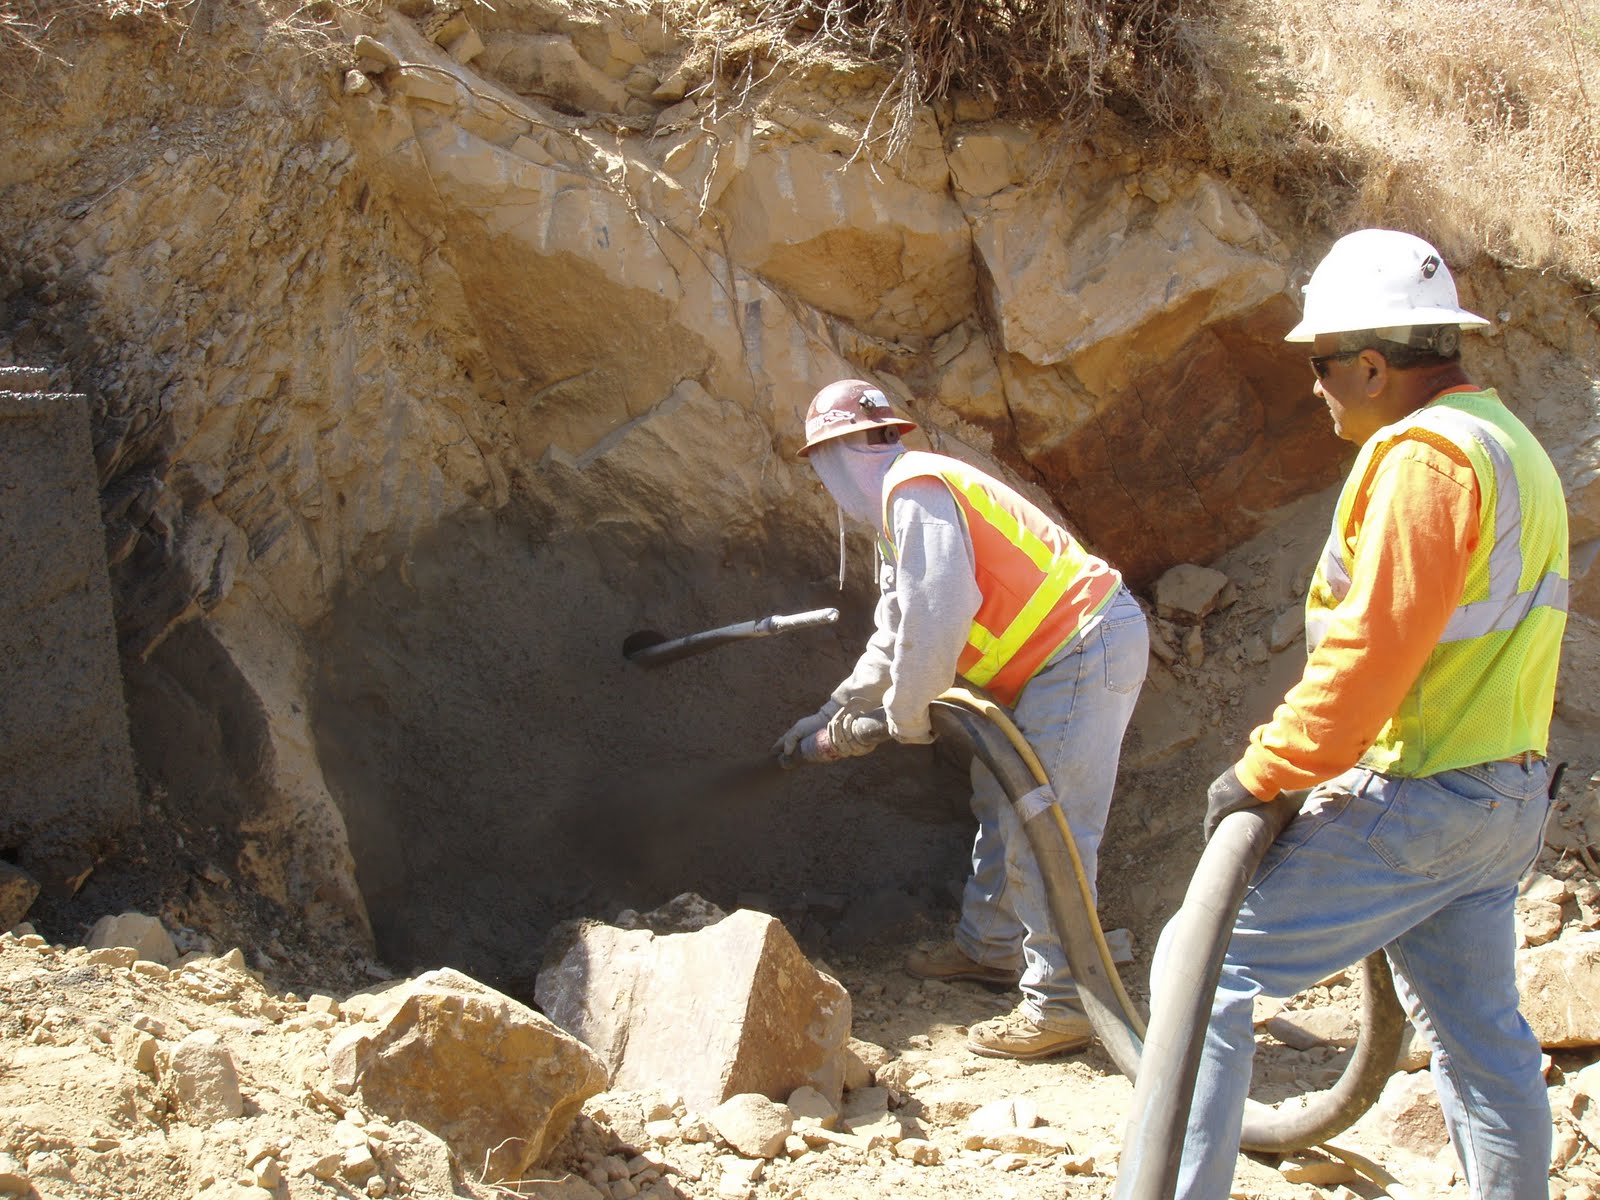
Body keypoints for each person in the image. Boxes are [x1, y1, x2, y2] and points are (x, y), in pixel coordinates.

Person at [1162, 229, 1569, 1198]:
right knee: (1480, 1038)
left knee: (1199, 966)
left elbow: (1369, 656)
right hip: (1503, 800)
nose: (1315, 387)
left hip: (1424, 794)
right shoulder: (1511, 444)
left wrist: (1263, 773)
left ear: (1374, 365)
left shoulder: (1424, 459)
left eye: (1322, 366)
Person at [774, 378, 1149, 1060]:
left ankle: (1063, 1004)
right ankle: (992, 950)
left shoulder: (915, 490)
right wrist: (833, 711)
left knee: (1046, 824)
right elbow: (894, 633)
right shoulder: (903, 508)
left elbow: (937, 615)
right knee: (1002, 799)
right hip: (1045, 666)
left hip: (1080, 648)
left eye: (841, 452)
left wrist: (905, 720)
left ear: (837, 455)